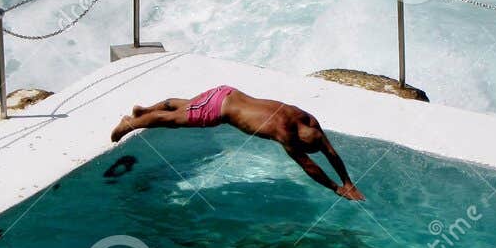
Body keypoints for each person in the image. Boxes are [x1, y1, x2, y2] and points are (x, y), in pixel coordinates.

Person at [110, 86, 365, 200]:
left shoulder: (307, 119)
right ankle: (131, 123)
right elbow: (308, 166)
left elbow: (330, 153)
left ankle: (144, 110)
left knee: (186, 106)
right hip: (219, 108)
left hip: (229, 93)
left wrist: (348, 182)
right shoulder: (285, 134)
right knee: (175, 120)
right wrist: (336, 188)